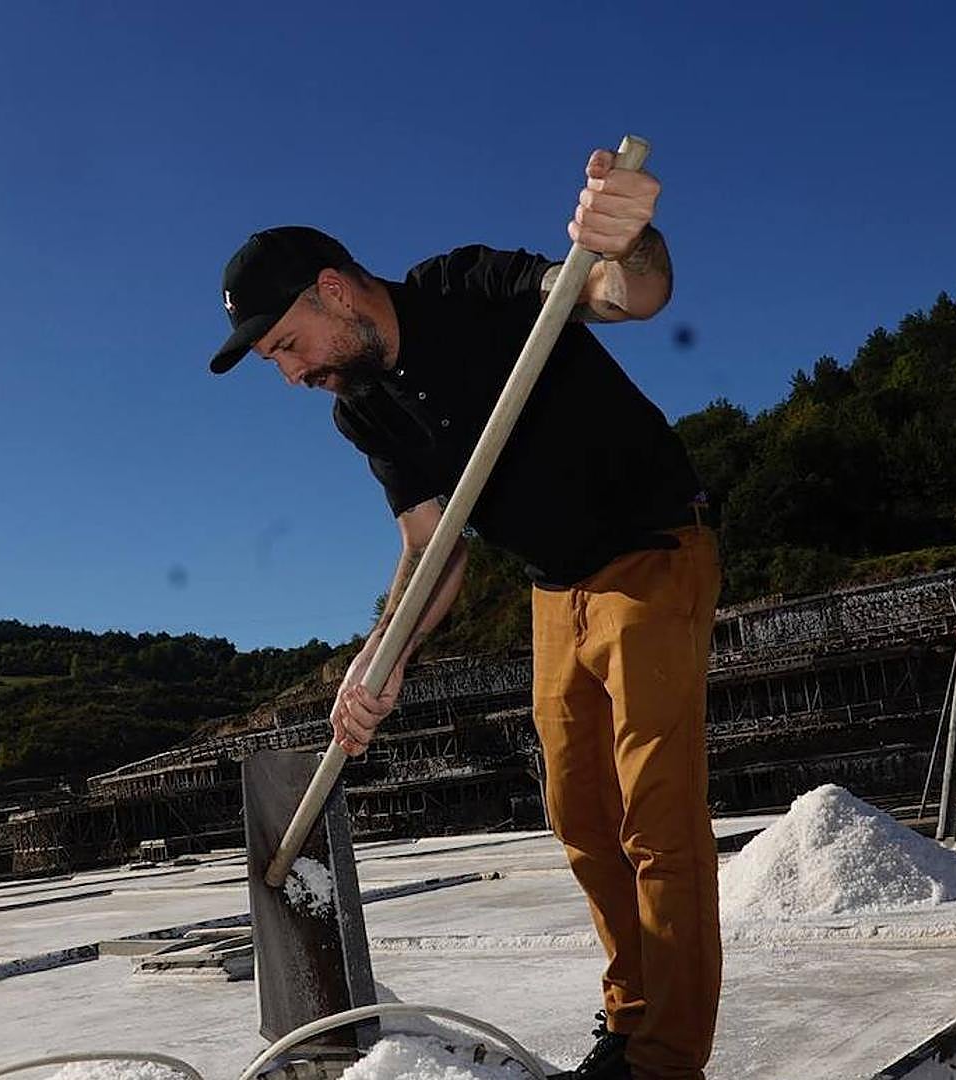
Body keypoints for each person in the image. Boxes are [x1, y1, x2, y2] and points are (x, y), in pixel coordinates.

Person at [207, 149, 721, 1080]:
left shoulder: (471, 288)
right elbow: (429, 548)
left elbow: (622, 294)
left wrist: (629, 238)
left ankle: (668, 1061)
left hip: (652, 551)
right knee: (581, 820)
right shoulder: (363, 410)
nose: (288, 375)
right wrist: (381, 657)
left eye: (285, 345)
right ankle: (630, 1020)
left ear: (333, 291)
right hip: (553, 588)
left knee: (657, 820)